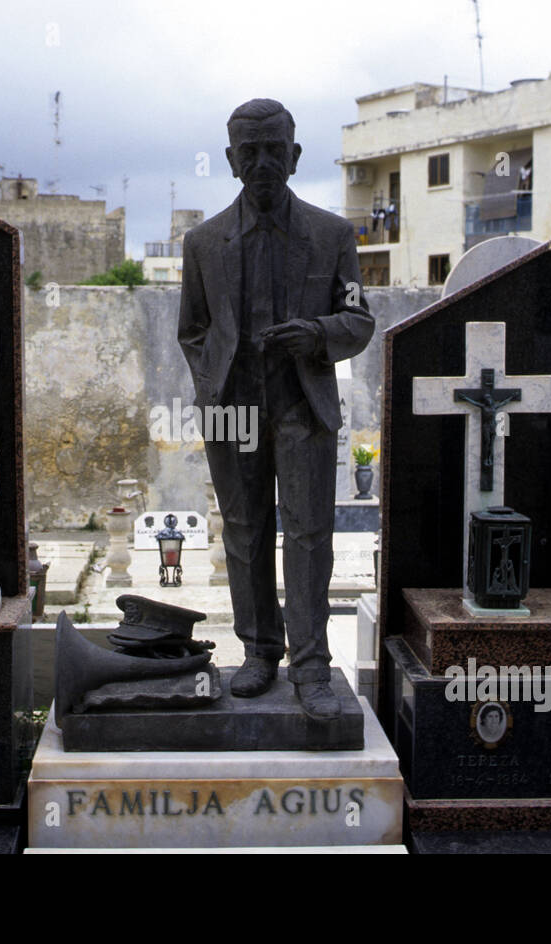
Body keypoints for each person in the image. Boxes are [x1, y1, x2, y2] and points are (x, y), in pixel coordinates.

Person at [177, 99, 374, 720]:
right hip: (232, 409)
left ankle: (311, 664)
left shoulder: (334, 235)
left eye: (273, 150)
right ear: (232, 159)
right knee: (245, 531)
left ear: (294, 156)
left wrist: (316, 333)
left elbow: (359, 317)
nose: (262, 162)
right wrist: (216, 384)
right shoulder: (203, 242)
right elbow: (192, 330)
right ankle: (260, 651)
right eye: (249, 151)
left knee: (311, 532)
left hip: (301, 404)